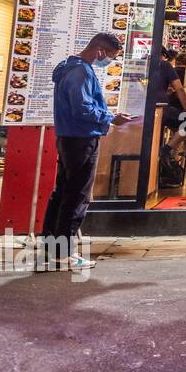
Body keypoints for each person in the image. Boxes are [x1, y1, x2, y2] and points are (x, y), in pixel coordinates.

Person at [42, 33, 133, 269]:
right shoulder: (81, 71)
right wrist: (111, 118)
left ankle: (52, 246)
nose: (110, 62)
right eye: (111, 57)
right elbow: (82, 109)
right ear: (100, 51)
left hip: (68, 137)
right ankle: (62, 255)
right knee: (77, 196)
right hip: (81, 140)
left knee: (63, 191)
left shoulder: (68, 67)